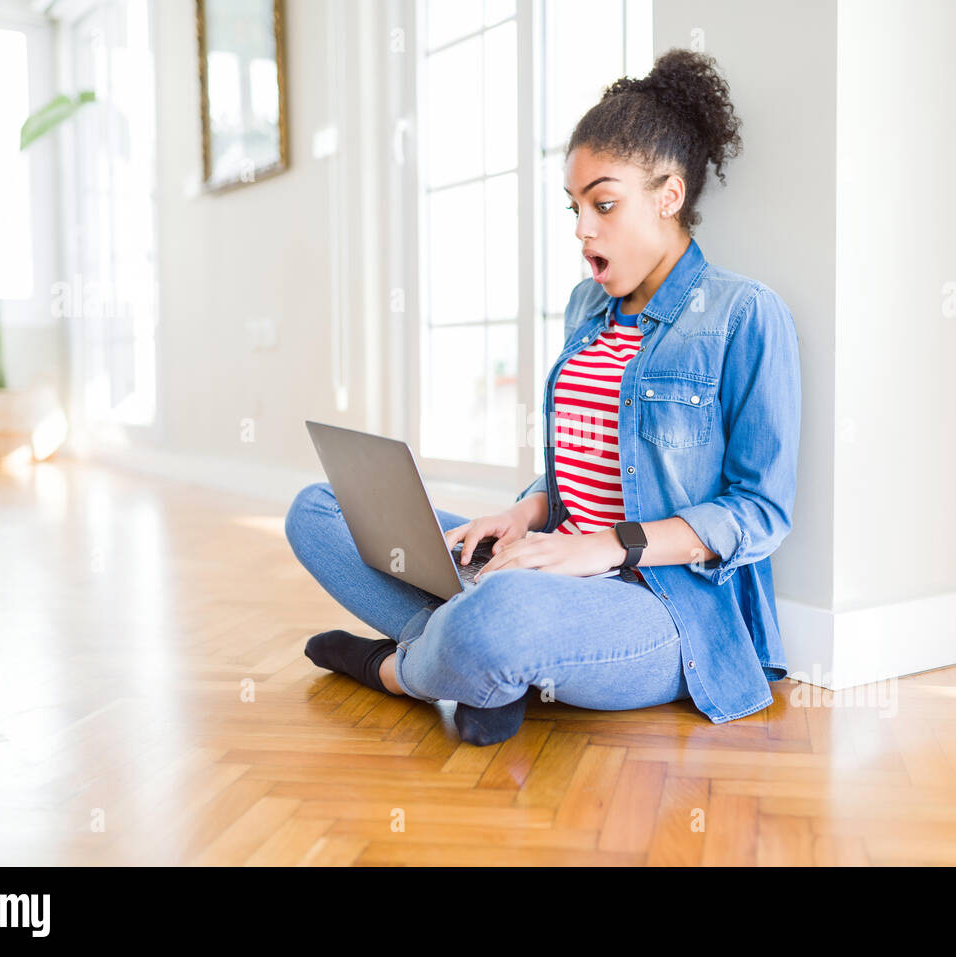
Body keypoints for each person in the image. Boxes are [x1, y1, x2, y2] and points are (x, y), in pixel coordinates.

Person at [285, 48, 801, 747]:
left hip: (661, 607)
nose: (583, 228)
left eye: (604, 203)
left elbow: (760, 513)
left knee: (504, 613)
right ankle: (475, 662)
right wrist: (523, 511)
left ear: (669, 196)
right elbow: (586, 463)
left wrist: (605, 549)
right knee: (317, 510)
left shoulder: (745, 314)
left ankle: (396, 669)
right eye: (576, 206)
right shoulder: (588, 305)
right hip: (546, 561)